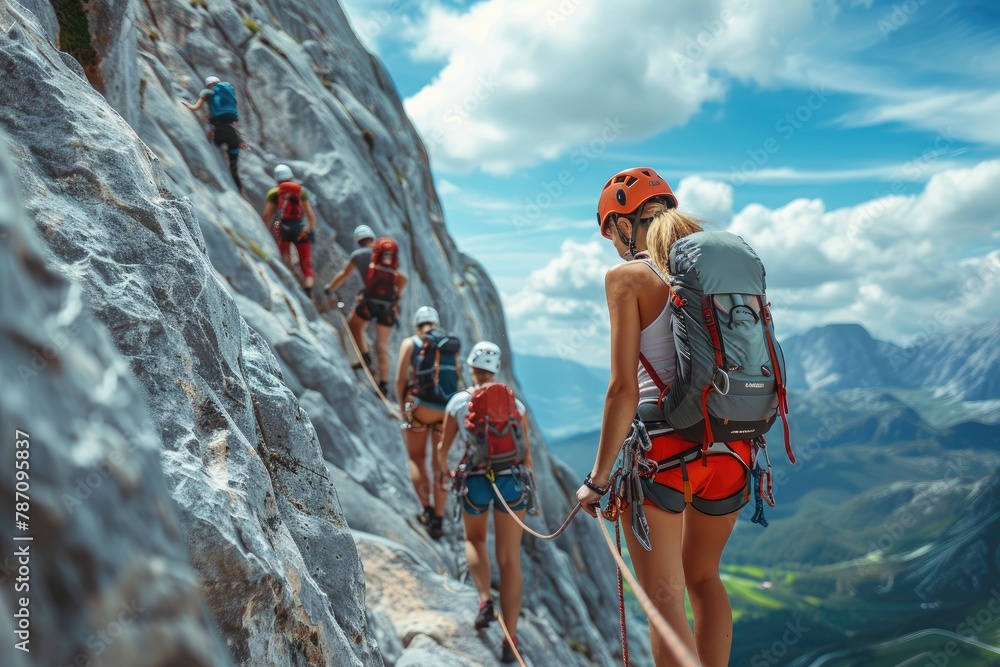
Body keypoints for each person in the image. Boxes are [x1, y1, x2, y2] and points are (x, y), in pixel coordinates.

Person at [576, 167, 752, 667]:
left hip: (664, 456)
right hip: (733, 450)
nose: (611, 243)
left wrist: (597, 479)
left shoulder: (627, 278)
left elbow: (623, 388)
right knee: (705, 580)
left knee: (665, 596)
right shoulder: (716, 272)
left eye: (609, 231)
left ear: (622, 225)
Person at [437, 341, 532, 663]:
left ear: (470, 367)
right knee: (510, 561)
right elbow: (526, 454)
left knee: (475, 540)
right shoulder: (515, 404)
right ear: (496, 368)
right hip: (511, 484)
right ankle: (511, 636)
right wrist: (526, 491)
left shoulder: (458, 402)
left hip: (476, 481)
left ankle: (482, 601)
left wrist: (445, 474)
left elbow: (442, 448)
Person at [325, 226, 406, 396]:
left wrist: (329, 289)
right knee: (382, 344)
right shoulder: (386, 257)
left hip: (369, 302)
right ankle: (383, 384)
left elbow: (343, 275)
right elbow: (403, 279)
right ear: (373, 238)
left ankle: (364, 357)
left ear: (358, 241)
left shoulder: (358, 255)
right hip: (387, 306)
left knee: (354, 325)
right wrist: (396, 296)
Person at [395, 306, 450, 530]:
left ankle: (426, 509)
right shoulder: (447, 344)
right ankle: (439, 517)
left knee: (416, 458)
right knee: (440, 465)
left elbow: (400, 380)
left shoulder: (410, 343)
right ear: (436, 324)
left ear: (416, 325)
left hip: (418, 408)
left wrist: (401, 406)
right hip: (444, 412)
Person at [260, 164, 317, 296]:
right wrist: (311, 231)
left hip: (284, 230)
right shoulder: (301, 192)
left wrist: (264, 233)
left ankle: (288, 280)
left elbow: (267, 215)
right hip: (300, 231)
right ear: (291, 177)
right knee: (307, 267)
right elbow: (311, 216)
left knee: (284, 257)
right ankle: (307, 292)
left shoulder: (274, 193)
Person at [182, 76, 243, 191]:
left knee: (213, 140)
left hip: (219, 130)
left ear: (209, 85)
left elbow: (195, 107)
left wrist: (188, 105)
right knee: (233, 164)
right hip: (232, 133)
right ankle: (238, 186)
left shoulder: (208, 92)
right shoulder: (228, 91)